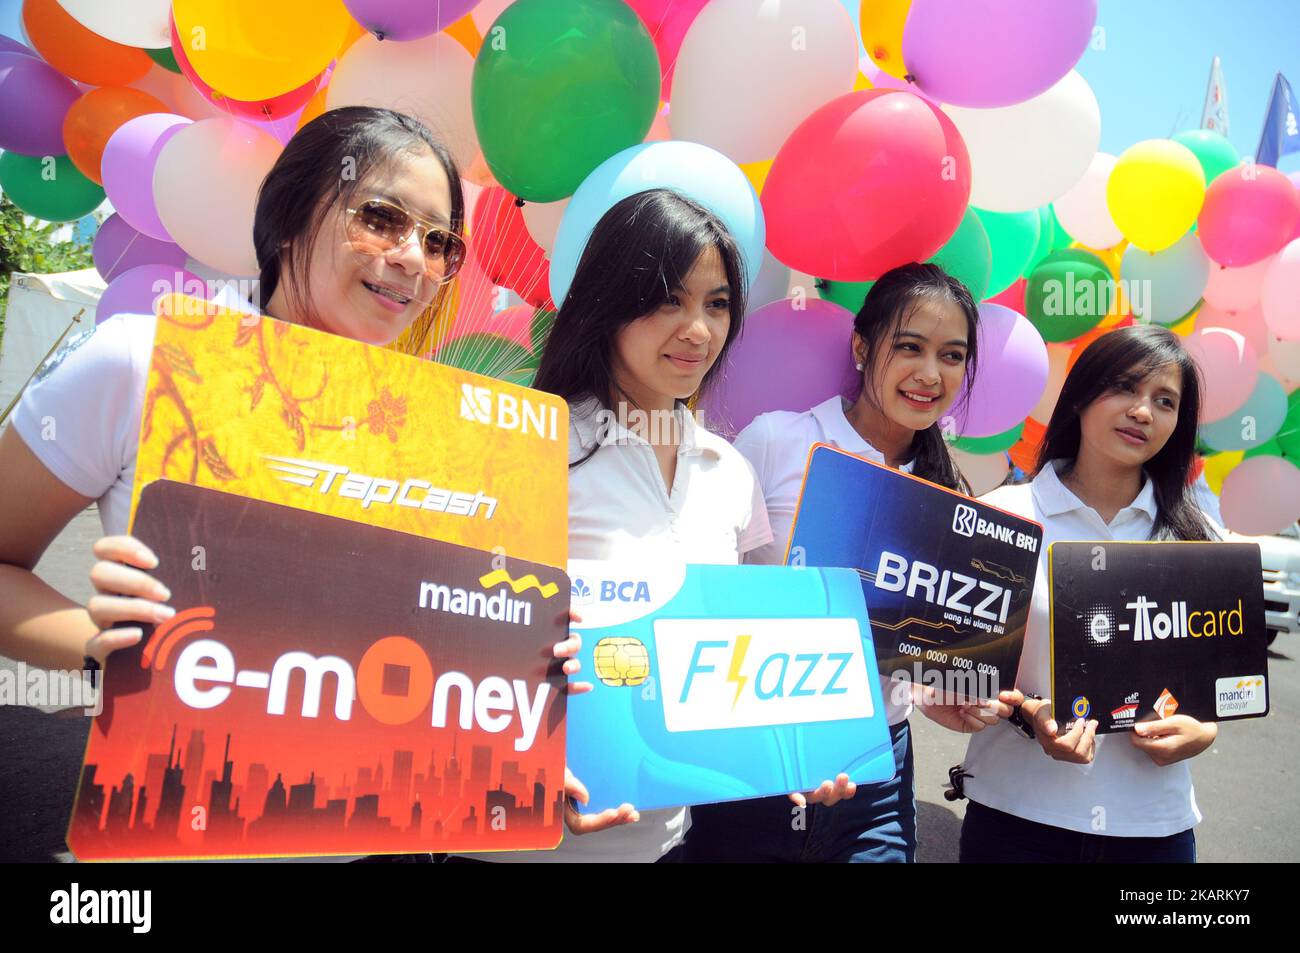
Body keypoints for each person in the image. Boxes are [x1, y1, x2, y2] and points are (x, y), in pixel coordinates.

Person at [0, 108, 589, 859]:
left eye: (441, 242)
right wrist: (102, 647)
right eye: (381, 217)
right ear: (286, 217)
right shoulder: (147, 362)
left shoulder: (438, 429)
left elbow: (430, 647)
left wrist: (522, 675)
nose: (414, 257)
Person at [683, 262, 1020, 863]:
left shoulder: (954, 499)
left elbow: (920, 666)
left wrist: (956, 699)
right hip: (756, 752)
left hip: (877, 765)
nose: (928, 374)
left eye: (951, 356)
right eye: (910, 347)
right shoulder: (777, 441)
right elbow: (707, 591)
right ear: (863, 348)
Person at [482, 188, 773, 863]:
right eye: (669, 298)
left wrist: (796, 747)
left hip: (667, 841)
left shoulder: (729, 471)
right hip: (524, 842)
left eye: (717, 303)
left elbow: (740, 650)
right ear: (610, 300)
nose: (698, 330)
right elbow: (455, 636)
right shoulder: (527, 446)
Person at [957, 323, 1220, 864]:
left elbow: (1217, 681)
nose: (1143, 411)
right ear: (1080, 396)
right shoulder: (1005, 515)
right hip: (1017, 817)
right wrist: (1029, 713)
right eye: (1124, 387)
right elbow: (964, 672)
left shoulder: (1193, 538)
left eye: (1164, 401)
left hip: (1154, 829)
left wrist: (1204, 730)